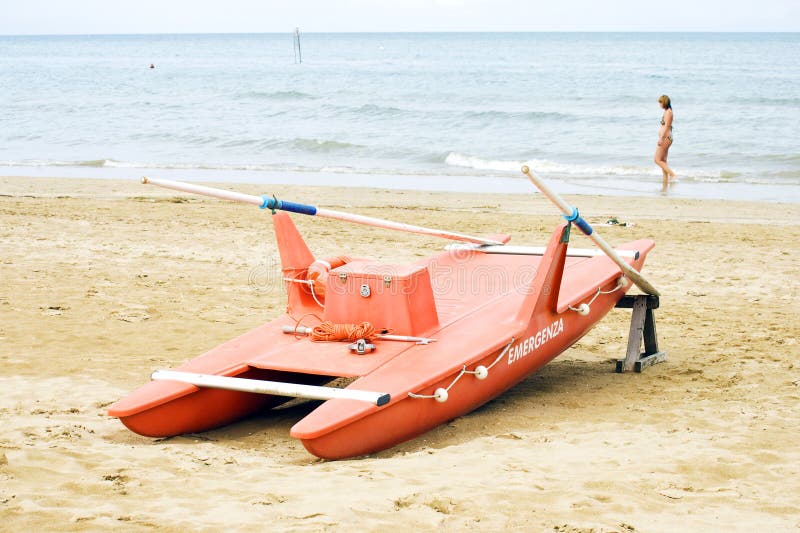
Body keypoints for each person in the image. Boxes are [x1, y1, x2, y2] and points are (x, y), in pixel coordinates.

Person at [655, 94, 676, 190]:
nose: (659, 104)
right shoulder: (667, 112)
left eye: (660, 102)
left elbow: (667, 126)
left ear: (664, 102)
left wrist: (661, 138)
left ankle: (673, 174)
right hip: (667, 138)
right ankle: (665, 181)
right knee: (663, 161)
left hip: (665, 138)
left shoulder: (668, 112)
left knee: (657, 160)